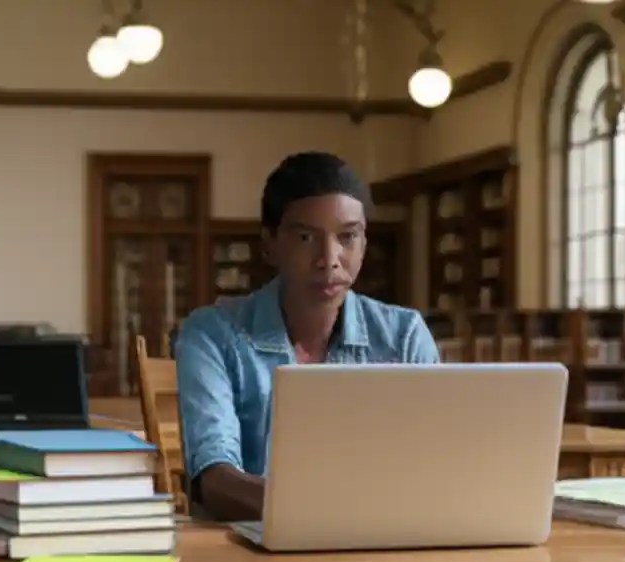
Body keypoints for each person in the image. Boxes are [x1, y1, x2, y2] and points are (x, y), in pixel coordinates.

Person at [174, 151, 440, 521]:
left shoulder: (404, 336)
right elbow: (215, 480)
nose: (329, 258)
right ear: (269, 244)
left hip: (383, 539)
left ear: (364, 243)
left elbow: (435, 465)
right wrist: (333, 512)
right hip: (251, 544)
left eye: (348, 236)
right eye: (305, 237)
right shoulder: (213, 334)